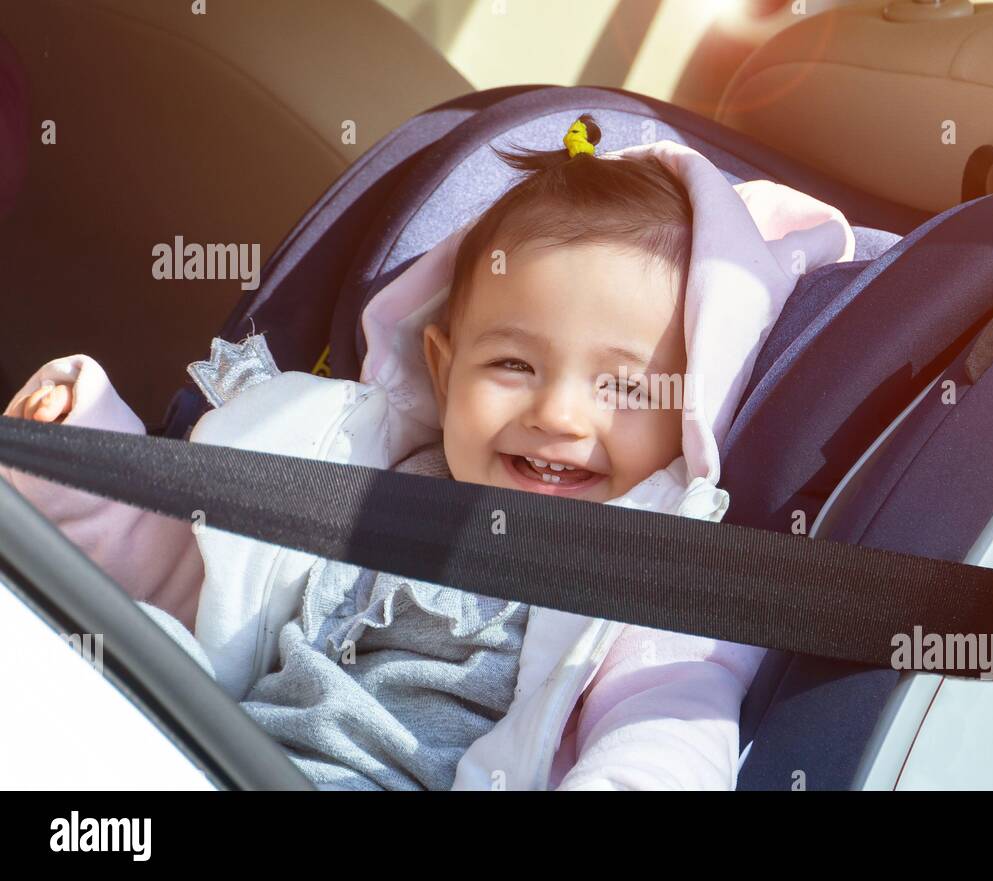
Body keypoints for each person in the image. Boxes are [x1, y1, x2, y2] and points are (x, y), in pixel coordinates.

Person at [3, 114, 884, 789]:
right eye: (512, 363)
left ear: (690, 407)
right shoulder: (354, 469)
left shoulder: (655, 579)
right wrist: (80, 455)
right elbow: (193, 577)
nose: (557, 413)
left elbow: (664, 725)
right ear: (442, 361)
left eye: (622, 386)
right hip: (217, 747)